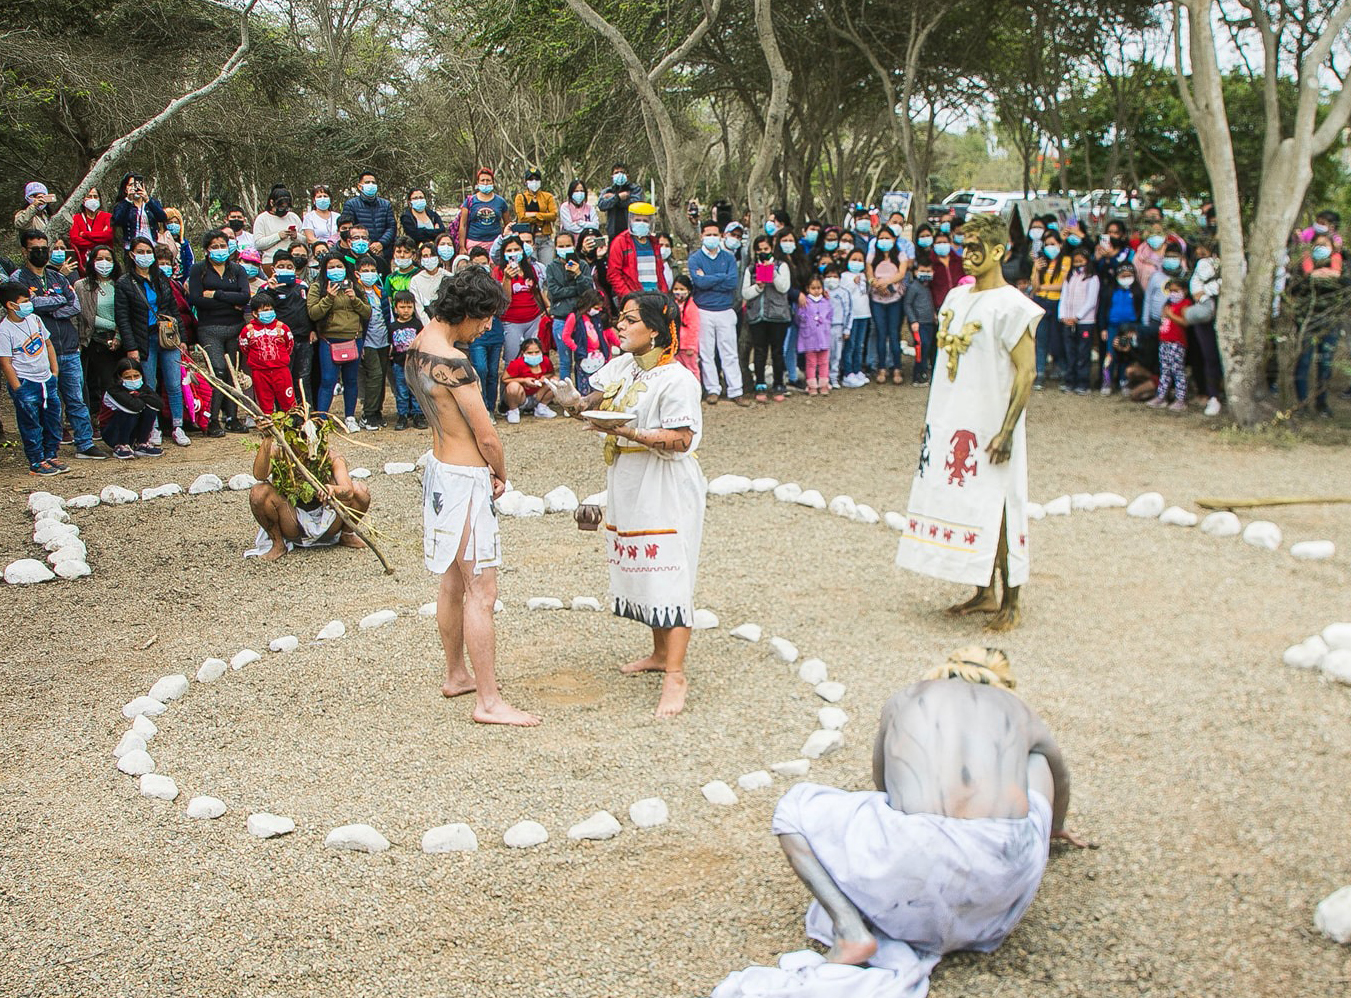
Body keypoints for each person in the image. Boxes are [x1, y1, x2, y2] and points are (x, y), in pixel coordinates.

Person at [715, 648, 1080, 997]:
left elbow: (884, 782)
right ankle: (1044, 837)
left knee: (794, 807)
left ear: (944, 669)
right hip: (1001, 870)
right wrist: (1053, 826)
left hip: (909, 854)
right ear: (1002, 683)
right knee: (1038, 761)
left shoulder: (906, 697)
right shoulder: (1017, 708)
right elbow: (1059, 774)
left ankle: (850, 930)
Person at [548, 291, 706, 718]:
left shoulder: (678, 380)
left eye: (630, 320)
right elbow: (589, 406)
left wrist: (631, 433)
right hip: (627, 478)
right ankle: (658, 654)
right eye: (620, 318)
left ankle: (676, 675)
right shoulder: (621, 366)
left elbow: (681, 440)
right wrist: (567, 404)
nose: (619, 326)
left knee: (669, 569)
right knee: (645, 569)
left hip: (665, 483)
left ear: (654, 329)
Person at [403, 266, 539, 726]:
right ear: (468, 311)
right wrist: (500, 473)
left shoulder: (418, 345)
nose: (487, 328)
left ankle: (456, 673)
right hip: (464, 476)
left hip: (440, 468)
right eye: (484, 319)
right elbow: (487, 435)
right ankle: (488, 700)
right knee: (481, 589)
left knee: (452, 580)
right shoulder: (455, 365)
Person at [895, 214, 1042, 632]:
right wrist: (933, 424)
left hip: (992, 422)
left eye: (978, 247)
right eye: (965, 245)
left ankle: (1011, 598)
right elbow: (946, 365)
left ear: (999, 251)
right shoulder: (956, 300)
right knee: (966, 503)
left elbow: (1026, 372)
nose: (968, 254)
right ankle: (983, 590)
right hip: (954, 419)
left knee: (1000, 506)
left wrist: (1008, 430)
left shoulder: (1014, 307)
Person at [11, 230, 104, 459]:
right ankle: (45, 448)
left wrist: (45, 306)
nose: (41, 253)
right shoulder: (17, 279)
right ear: (25, 251)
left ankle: (84, 443)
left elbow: (74, 305)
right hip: (36, 352)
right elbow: (28, 306)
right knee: (44, 403)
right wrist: (55, 301)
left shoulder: (58, 277)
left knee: (76, 398)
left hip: (69, 346)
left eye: (45, 248)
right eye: (35, 249)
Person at [247, 411, 371, 562]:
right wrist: (267, 439)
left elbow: (349, 491)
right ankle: (278, 544)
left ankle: (347, 534)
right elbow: (259, 475)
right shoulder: (279, 453)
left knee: (361, 490)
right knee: (258, 492)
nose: (307, 444)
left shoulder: (330, 457)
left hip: (328, 520)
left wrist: (333, 490)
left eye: (310, 438)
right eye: (302, 438)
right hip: (291, 521)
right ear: (289, 438)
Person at [113, 235, 183, 450]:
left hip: (167, 336)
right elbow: (123, 318)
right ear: (132, 255)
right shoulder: (125, 283)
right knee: (149, 384)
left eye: (148, 252)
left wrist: (183, 339)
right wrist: (131, 347)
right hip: (143, 339)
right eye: (140, 252)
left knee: (174, 383)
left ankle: (178, 426)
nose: (145, 256)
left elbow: (172, 308)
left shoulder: (160, 277)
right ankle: (153, 427)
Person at [188, 230, 252, 437]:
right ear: (207, 250)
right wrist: (229, 301)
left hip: (235, 327)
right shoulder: (199, 270)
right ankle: (212, 419)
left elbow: (244, 297)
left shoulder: (237, 270)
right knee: (218, 371)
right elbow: (197, 299)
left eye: (222, 245)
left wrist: (216, 294)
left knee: (234, 373)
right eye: (214, 247)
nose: (219, 250)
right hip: (209, 329)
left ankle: (232, 417)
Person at [0, 281, 67, 475]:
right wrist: (18, 388)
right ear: (11, 305)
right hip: (26, 381)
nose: (29, 304)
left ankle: (51, 454)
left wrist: (54, 372)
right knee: (31, 423)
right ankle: (36, 460)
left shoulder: (35, 319)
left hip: (46, 379)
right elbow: (6, 362)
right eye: (25, 301)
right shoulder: (5, 330)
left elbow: (48, 344)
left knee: (53, 418)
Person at [307, 253, 370, 432]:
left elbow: (367, 312)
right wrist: (329, 298)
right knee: (327, 380)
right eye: (331, 267)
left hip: (353, 339)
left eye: (339, 266)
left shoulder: (355, 286)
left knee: (351, 380)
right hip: (329, 340)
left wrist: (354, 298)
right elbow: (313, 313)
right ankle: (321, 419)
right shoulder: (317, 287)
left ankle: (350, 417)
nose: (336, 270)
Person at [689, 219, 748, 406]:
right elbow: (699, 283)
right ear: (701, 236)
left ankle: (735, 390)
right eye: (708, 234)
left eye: (715, 234)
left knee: (730, 352)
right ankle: (713, 389)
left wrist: (708, 278)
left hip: (726, 310)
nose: (712, 238)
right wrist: (717, 279)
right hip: (703, 310)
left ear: (721, 236)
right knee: (706, 353)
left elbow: (731, 283)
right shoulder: (695, 259)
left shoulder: (728, 258)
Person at [1287, 233, 1346, 418]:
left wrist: (1319, 275)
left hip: (1330, 324)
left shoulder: (1342, 269)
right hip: (1307, 323)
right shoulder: (1301, 268)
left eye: (1325, 245)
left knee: (1325, 364)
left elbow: (1342, 284)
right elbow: (1296, 288)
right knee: (1303, 363)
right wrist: (1315, 275)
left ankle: (1322, 404)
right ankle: (1302, 404)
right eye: (1317, 245)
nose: (1321, 249)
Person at [744, 234, 792, 402]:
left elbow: (784, 287)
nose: (763, 252)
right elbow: (745, 292)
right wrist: (758, 287)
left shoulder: (781, 266)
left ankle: (779, 383)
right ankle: (760, 383)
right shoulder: (750, 269)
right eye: (760, 250)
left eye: (766, 249)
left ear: (771, 249)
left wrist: (772, 272)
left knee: (777, 351)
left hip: (778, 315)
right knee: (759, 351)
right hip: (758, 315)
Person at [74, 245, 121, 413]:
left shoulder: (120, 283)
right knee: (102, 382)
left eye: (108, 259)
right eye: (99, 259)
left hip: (121, 339)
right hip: (96, 341)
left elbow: (126, 312)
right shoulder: (82, 286)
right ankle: (98, 418)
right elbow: (86, 315)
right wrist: (113, 325)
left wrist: (119, 335)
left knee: (121, 381)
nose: (104, 263)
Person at [266, 250, 314, 402]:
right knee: (283, 378)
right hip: (281, 341)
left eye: (289, 266)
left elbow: (310, 309)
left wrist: (313, 329)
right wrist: (271, 291)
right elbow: (263, 310)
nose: (285, 269)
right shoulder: (267, 288)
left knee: (304, 378)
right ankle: (286, 413)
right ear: (274, 269)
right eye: (281, 266)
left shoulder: (302, 286)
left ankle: (307, 413)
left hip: (304, 338)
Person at [239, 292, 295, 414]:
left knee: (288, 403)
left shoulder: (283, 328)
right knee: (265, 405)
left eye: (270, 309)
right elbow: (245, 349)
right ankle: (269, 430)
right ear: (254, 313)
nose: (268, 312)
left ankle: (292, 429)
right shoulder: (247, 331)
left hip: (281, 370)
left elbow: (289, 346)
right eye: (264, 310)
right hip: (260, 372)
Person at [100, 358, 162, 460]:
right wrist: (143, 398)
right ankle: (121, 445)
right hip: (112, 431)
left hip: (133, 429)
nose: (133, 380)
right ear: (120, 377)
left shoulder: (142, 387)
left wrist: (138, 395)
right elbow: (134, 406)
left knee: (151, 408)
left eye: (136, 376)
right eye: (128, 377)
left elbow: (159, 404)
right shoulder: (113, 391)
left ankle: (142, 443)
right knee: (130, 411)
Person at [560, 289, 619, 396]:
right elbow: (566, 336)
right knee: (584, 388)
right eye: (596, 308)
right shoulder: (575, 317)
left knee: (599, 386)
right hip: (584, 357)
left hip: (600, 356)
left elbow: (608, 332)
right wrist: (577, 348)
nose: (598, 310)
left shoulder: (598, 317)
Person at [355, 255, 391, 429]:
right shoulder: (356, 293)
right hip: (366, 341)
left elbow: (387, 315)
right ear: (357, 274)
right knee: (374, 375)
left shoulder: (380, 291)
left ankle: (377, 411)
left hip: (383, 340)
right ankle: (368, 413)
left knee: (382, 375)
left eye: (372, 271)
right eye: (365, 271)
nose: (369, 274)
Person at [1029, 231, 1069, 389]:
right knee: (1041, 339)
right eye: (1047, 245)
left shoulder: (1066, 261)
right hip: (1041, 302)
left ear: (1060, 244)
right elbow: (1034, 286)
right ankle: (1039, 373)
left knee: (1057, 339)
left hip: (1058, 302)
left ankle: (1063, 369)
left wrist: (1042, 287)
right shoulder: (1041, 262)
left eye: (1053, 244)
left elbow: (1064, 284)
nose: (1050, 247)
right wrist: (1036, 269)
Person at [1057, 247, 1099, 395]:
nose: (1078, 262)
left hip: (1084, 321)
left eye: (1081, 260)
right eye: (1076, 260)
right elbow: (1064, 297)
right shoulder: (1070, 277)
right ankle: (1070, 381)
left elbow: (1091, 301)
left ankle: (1083, 382)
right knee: (1070, 352)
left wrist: (1078, 316)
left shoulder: (1092, 278)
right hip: (1068, 320)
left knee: (1083, 352)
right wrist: (1063, 316)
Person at [867, 232, 906, 384]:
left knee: (894, 333)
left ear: (894, 239)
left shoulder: (900, 255)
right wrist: (875, 283)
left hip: (895, 298)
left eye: (887, 238)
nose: (884, 241)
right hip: (877, 299)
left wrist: (887, 282)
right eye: (881, 238)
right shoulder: (872, 256)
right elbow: (869, 272)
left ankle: (897, 367)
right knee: (881, 333)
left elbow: (901, 273)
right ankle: (882, 368)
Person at [607, 202, 668, 299]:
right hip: (634, 297)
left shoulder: (654, 243)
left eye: (645, 221)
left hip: (656, 296)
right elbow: (613, 274)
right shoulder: (620, 242)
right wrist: (628, 296)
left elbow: (660, 272)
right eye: (638, 220)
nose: (641, 223)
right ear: (631, 220)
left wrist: (664, 295)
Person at [1149, 278, 1191, 412]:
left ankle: (1181, 399)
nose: (1173, 293)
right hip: (1164, 341)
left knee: (1177, 371)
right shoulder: (1168, 305)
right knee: (1165, 370)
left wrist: (1171, 315)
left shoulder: (1185, 304)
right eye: (1171, 291)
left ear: (1184, 290)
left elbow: (1185, 322)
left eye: (1176, 290)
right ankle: (1161, 396)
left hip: (1176, 343)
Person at [1102, 262, 1143, 394]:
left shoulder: (1137, 291)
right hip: (1112, 326)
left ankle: (1123, 381)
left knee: (1126, 354)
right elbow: (1103, 310)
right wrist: (1103, 328)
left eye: (1129, 275)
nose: (1126, 278)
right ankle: (1107, 381)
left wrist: (1136, 328)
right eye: (1123, 275)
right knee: (1110, 354)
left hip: (1129, 328)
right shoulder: (1110, 291)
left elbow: (1140, 310)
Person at [387, 290, 425, 430]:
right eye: (402, 307)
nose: (406, 310)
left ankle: (417, 415)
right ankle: (402, 415)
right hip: (398, 364)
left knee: (415, 390)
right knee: (401, 391)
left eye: (409, 307)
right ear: (396, 308)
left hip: (414, 364)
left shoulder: (417, 324)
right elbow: (390, 345)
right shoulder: (392, 326)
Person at [501, 336, 557, 423]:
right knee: (513, 386)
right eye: (530, 353)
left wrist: (544, 377)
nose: (534, 355)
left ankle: (542, 408)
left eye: (537, 352)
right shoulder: (517, 364)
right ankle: (513, 410)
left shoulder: (545, 361)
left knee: (555, 381)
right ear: (523, 353)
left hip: (538, 394)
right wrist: (523, 380)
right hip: (521, 397)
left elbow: (551, 373)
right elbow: (504, 379)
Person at [838, 248, 871, 388]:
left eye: (860, 260)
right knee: (850, 345)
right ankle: (848, 372)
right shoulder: (845, 276)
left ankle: (857, 370)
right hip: (852, 315)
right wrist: (853, 282)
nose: (857, 263)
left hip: (864, 313)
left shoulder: (864, 275)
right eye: (854, 259)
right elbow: (844, 292)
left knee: (859, 344)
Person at [343, 171, 396, 259]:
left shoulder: (386, 204)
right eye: (367, 182)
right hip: (360, 252)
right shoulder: (351, 205)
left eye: (373, 183)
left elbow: (391, 227)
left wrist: (381, 243)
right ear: (359, 186)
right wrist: (366, 244)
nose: (371, 185)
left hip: (384, 251)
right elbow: (348, 228)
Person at [794, 273, 833, 395]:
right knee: (811, 362)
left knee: (824, 362)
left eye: (818, 288)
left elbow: (830, 315)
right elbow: (798, 318)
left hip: (823, 337)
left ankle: (823, 384)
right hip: (809, 338)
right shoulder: (805, 302)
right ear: (807, 288)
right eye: (813, 288)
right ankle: (812, 385)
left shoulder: (826, 302)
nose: (816, 291)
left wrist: (824, 323)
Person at [458, 168, 511, 254]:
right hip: (474, 242)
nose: (485, 183)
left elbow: (507, 225)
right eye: (482, 180)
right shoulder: (469, 201)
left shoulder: (501, 202)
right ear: (478, 183)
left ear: (493, 182)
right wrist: (462, 246)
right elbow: (462, 225)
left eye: (488, 180)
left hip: (495, 243)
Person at [903, 258, 936, 385]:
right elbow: (907, 304)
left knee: (927, 347)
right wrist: (913, 320)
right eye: (922, 271)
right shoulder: (913, 287)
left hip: (929, 322)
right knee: (921, 347)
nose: (926, 273)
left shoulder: (928, 287)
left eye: (928, 271)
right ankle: (918, 375)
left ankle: (924, 371)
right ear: (916, 272)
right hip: (918, 324)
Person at [514, 170, 559, 264]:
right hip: (528, 240)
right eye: (531, 179)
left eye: (536, 179)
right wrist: (544, 216)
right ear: (526, 181)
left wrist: (535, 214)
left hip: (545, 238)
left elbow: (553, 215)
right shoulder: (520, 197)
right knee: (531, 267)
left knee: (547, 267)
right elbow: (522, 217)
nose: (534, 182)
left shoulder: (548, 196)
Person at [69, 187, 115, 274]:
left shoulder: (107, 217)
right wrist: (100, 243)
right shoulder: (76, 218)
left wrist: (85, 234)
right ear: (83, 200)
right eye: (89, 196)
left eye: (95, 196)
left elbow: (108, 235)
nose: (92, 199)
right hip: (83, 265)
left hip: (105, 262)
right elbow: (74, 239)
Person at [253, 186, 303, 262]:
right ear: (271, 203)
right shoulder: (262, 219)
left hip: (293, 260)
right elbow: (258, 244)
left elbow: (305, 241)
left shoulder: (293, 217)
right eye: (281, 207)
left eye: (286, 208)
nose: (283, 210)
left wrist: (296, 236)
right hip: (270, 260)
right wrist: (278, 236)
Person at [597, 162, 645, 240]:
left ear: (627, 175)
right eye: (616, 172)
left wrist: (613, 199)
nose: (619, 175)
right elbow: (601, 205)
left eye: (622, 172)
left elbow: (636, 204)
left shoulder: (635, 189)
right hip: (613, 233)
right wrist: (618, 197)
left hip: (632, 232)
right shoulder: (607, 191)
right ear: (612, 176)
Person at [823, 264, 852, 390]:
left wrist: (847, 329)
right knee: (823, 353)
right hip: (822, 327)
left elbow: (849, 311)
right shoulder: (820, 291)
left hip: (838, 327)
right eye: (828, 276)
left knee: (836, 354)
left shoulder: (843, 293)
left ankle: (834, 377)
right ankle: (823, 378)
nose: (831, 279)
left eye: (834, 276)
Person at [671, 275, 702, 379]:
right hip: (675, 346)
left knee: (692, 370)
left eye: (682, 289)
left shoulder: (691, 306)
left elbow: (694, 328)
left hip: (687, 347)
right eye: (675, 289)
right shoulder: (672, 305)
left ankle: (696, 392)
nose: (678, 292)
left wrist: (691, 347)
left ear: (688, 290)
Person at [411, 241, 449, 324]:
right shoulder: (415, 281)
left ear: (438, 258)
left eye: (432, 255)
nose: (429, 259)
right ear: (420, 260)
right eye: (425, 256)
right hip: (426, 324)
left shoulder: (448, 277)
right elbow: (418, 309)